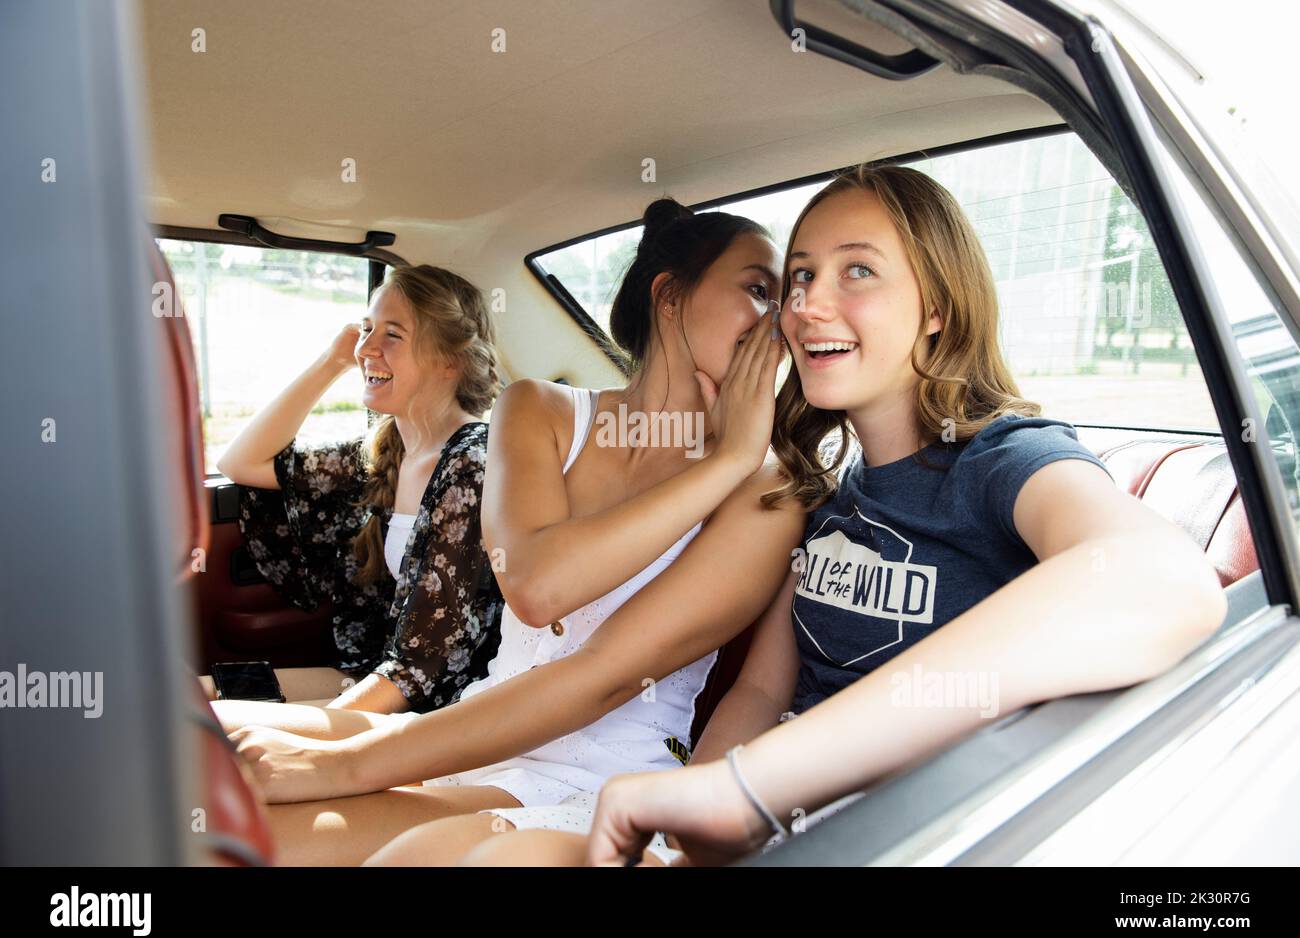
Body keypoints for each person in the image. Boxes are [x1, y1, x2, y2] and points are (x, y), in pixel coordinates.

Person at [456, 163, 1229, 867]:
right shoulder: (836, 499)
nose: (805, 305)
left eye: (856, 271)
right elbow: (758, 696)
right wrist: (678, 841)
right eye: (799, 277)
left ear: (936, 307)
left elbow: (1165, 582)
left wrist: (749, 788)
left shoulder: (1000, 461)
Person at [228, 198, 810, 866]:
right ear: (669, 297)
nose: (782, 319)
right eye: (759, 290)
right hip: (479, 734)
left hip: (599, 781)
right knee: (208, 764)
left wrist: (348, 764)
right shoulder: (539, 408)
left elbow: (594, 669)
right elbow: (534, 575)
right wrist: (351, 758)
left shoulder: (764, 492)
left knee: (281, 837)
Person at [205, 264, 505, 731]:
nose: (366, 349)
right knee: (184, 698)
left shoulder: (473, 464)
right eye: (365, 330)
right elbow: (240, 462)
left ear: (451, 361)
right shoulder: (385, 453)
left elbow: (423, 668)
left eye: (393, 335)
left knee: (208, 730)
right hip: (365, 676)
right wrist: (332, 361)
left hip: (433, 711)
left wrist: (299, 739)